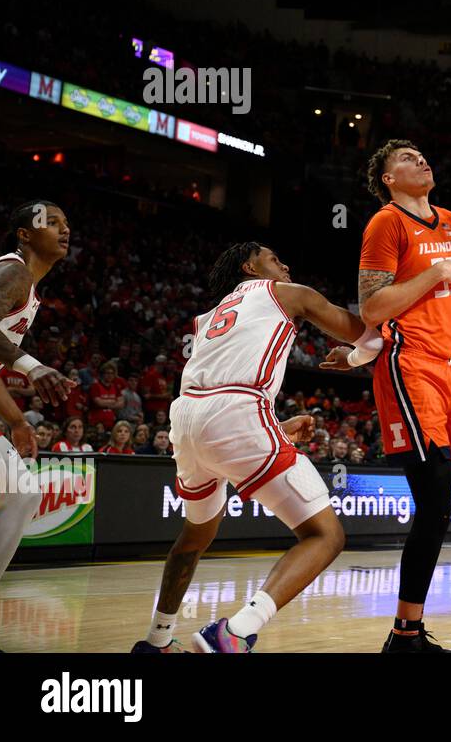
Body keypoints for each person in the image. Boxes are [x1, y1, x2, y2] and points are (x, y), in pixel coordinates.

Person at [131, 242, 375, 654]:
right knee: (325, 535)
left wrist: (273, 428)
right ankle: (236, 630)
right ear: (250, 266)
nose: (285, 263)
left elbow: (216, 390)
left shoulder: (207, 319)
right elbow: (365, 331)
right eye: (274, 258)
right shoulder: (289, 293)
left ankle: (156, 642)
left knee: (193, 536)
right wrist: (358, 356)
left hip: (187, 416)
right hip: (239, 411)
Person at [351, 140, 451, 653]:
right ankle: (405, 634)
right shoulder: (385, 223)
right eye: (405, 158)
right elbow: (373, 306)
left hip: (449, 371)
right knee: (436, 496)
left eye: (423, 154)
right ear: (387, 179)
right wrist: (433, 274)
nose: (420, 159)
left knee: (441, 502)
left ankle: (408, 632)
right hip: (410, 365)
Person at [0, 200, 74, 653]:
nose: (64, 230)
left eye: (68, 225)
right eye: (52, 221)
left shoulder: (28, 288)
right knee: (20, 491)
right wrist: (31, 366)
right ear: (24, 233)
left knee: (22, 491)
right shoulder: (12, 272)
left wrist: (17, 419)